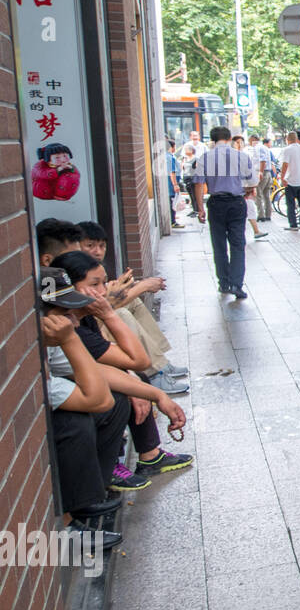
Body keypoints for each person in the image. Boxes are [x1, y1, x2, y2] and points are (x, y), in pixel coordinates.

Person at [49, 251, 193, 491]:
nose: (104, 291)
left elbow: (123, 364)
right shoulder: (67, 324)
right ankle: (104, 478)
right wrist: (107, 313)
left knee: (134, 380)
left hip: (85, 385)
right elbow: (136, 359)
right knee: (116, 399)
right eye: (94, 284)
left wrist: (155, 394)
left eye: (104, 282)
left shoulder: (80, 318)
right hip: (71, 406)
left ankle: (149, 456)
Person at [40, 267, 127, 547]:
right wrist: (69, 338)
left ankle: (84, 498)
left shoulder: (53, 342)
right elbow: (98, 398)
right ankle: (65, 528)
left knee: (117, 403)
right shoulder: (43, 348)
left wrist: (154, 395)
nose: (74, 323)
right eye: (65, 315)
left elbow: (103, 379)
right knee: (74, 422)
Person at [76, 221, 189, 395]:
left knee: (132, 302)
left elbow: (105, 300)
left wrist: (122, 287)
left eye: (101, 246)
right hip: (88, 331)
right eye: (90, 246)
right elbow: (103, 307)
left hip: (92, 322)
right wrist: (141, 287)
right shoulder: (72, 271)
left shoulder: (90, 268)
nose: (97, 251)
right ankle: (152, 374)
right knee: (121, 313)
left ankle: (160, 362)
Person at [192, 126, 257, 298]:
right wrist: (245, 189)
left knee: (219, 244)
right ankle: (237, 284)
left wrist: (200, 208)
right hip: (236, 203)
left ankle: (224, 283)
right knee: (238, 244)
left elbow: (198, 184)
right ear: (229, 139)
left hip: (216, 204)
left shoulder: (204, 157)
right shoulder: (241, 156)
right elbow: (252, 182)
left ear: (213, 140)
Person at [232, 136, 268, 241]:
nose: (239, 145)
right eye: (237, 142)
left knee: (250, 208)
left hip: (245, 189)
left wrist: (253, 188)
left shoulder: (246, 155)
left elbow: (250, 174)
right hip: (237, 190)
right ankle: (249, 232)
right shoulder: (233, 157)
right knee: (243, 212)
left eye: (241, 142)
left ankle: (255, 231)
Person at [248, 134, 275, 225]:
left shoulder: (257, 148)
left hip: (262, 173)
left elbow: (262, 160)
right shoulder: (264, 148)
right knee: (266, 195)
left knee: (258, 194)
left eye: (249, 140)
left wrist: (260, 172)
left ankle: (261, 215)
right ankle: (268, 214)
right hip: (268, 173)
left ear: (253, 139)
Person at [165, 139, 184, 229]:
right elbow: (171, 172)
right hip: (170, 184)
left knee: (171, 201)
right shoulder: (169, 157)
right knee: (171, 202)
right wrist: (175, 185)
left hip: (170, 183)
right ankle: (173, 221)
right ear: (171, 147)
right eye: (174, 146)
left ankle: (172, 218)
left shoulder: (167, 156)